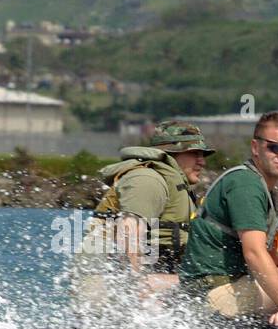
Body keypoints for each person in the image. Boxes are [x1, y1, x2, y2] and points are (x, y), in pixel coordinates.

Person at [177, 111, 278, 326]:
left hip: (224, 288)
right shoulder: (246, 184)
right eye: (275, 147)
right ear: (255, 147)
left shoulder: (263, 189)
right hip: (213, 294)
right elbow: (254, 253)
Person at [73, 120, 214, 312]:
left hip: (131, 277)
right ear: (171, 153)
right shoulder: (148, 180)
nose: (202, 161)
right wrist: (138, 288)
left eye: (203, 154)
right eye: (194, 153)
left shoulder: (169, 181)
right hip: (106, 283)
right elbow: (128, 233)